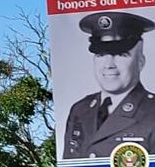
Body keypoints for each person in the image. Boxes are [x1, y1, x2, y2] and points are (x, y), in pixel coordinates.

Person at [63, 11, 155, 158]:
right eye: (101, 55)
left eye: (121, 55)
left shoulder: (152, 111)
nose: (108, 65)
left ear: (140, 62)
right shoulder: (80, 110)